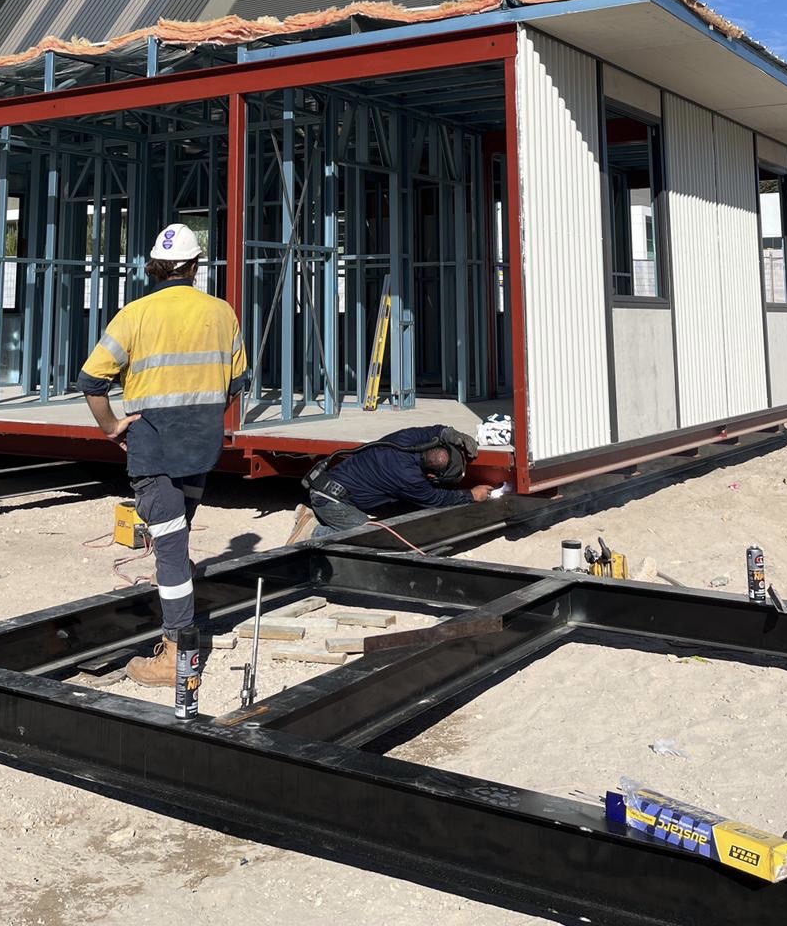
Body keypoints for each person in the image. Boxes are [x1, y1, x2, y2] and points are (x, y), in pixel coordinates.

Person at [79, 223, 247, 687]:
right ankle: (179, 600)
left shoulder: (135, 315)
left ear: (154, 266)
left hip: (153, 450)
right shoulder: (221, 313)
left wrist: (112, 427)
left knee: (170, 548)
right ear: (196, 267)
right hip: (201, 448)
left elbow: (92, 382)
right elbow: (236, 382)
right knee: (177, 536)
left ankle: (176, 651)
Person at [287, 425, 491, 543]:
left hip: (328, 488)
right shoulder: (409, 479)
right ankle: (312, 531)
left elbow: (431, 431)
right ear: (431, 476)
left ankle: (309, 514)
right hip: (332, 501)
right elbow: (439, 499)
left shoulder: (405, 439)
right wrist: (471, 495)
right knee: (370, 537)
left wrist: (452, 434)